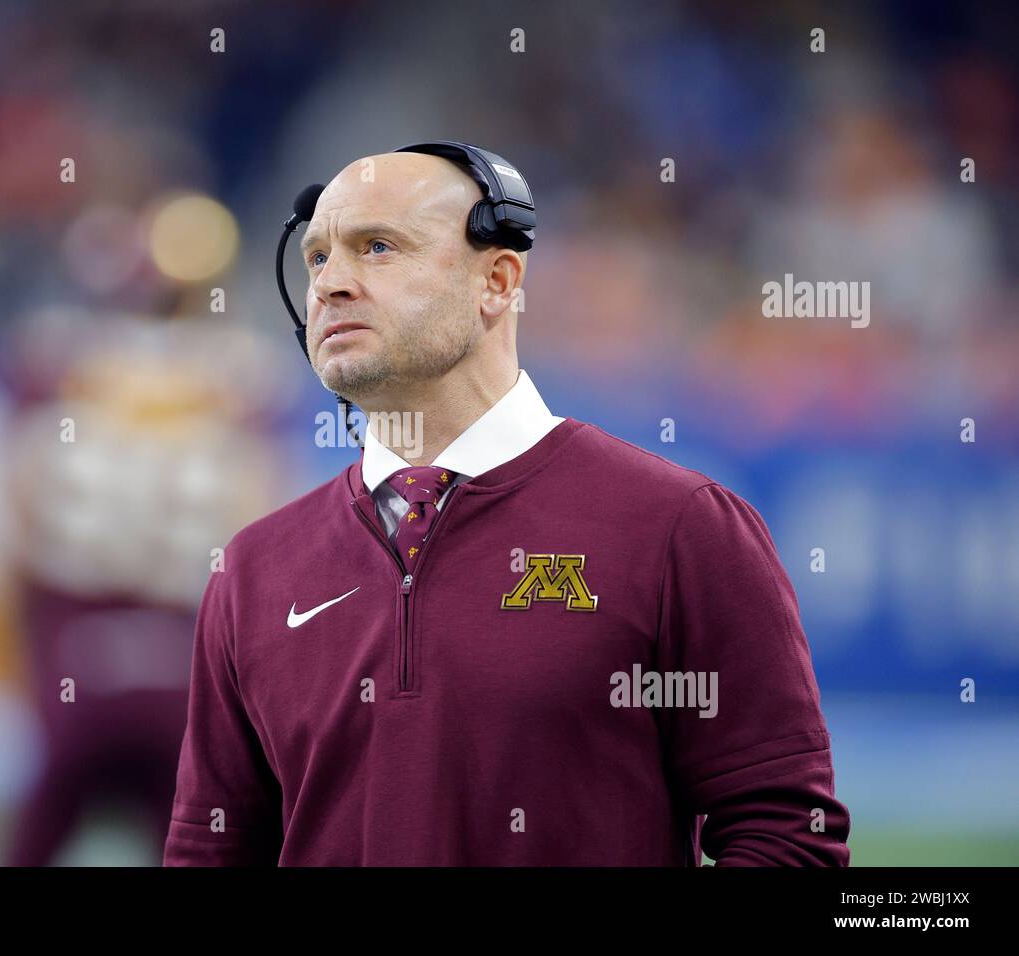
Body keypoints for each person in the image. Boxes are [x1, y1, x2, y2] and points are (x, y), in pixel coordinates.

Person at [162, 147, 850, 865]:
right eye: (316, 258)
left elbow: (787, 837)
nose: (331, 283)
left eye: (377, 247)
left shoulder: (681, 527)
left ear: (496, 281)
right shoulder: (252, 569)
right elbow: (210, 852)